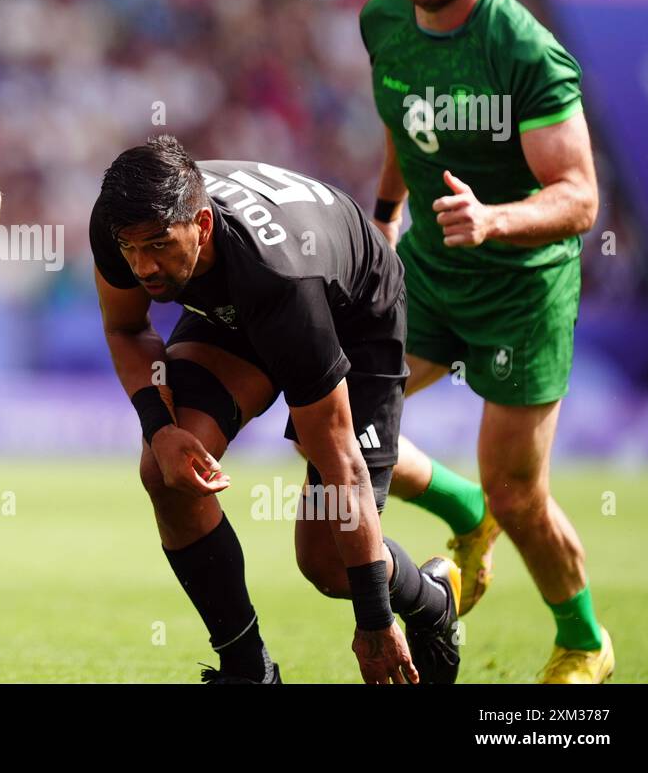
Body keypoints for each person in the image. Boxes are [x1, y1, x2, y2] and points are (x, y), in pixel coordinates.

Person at [362, 0, 609, 682]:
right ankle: (461, 511)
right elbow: (404, 119)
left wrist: (494, 220)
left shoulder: (528, 55)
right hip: (428, 276)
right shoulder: (384, 21)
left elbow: (580, 197)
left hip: (522, 292)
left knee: (517, 495)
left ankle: (582, 640)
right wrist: (386, 214)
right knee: (335, 416)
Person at [91, 135, 460, 684]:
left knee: (331, 566)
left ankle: (431, 603)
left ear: (203, 225)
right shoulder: (120, 222)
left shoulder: (282, 282)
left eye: (159, 245)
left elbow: (340, 466)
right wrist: (159, 428)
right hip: (237, 300)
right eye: (131, 249)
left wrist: (376, 621)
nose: (143, 266)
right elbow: (126, 327)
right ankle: (249, 670)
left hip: (350, 311)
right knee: (164, 471)